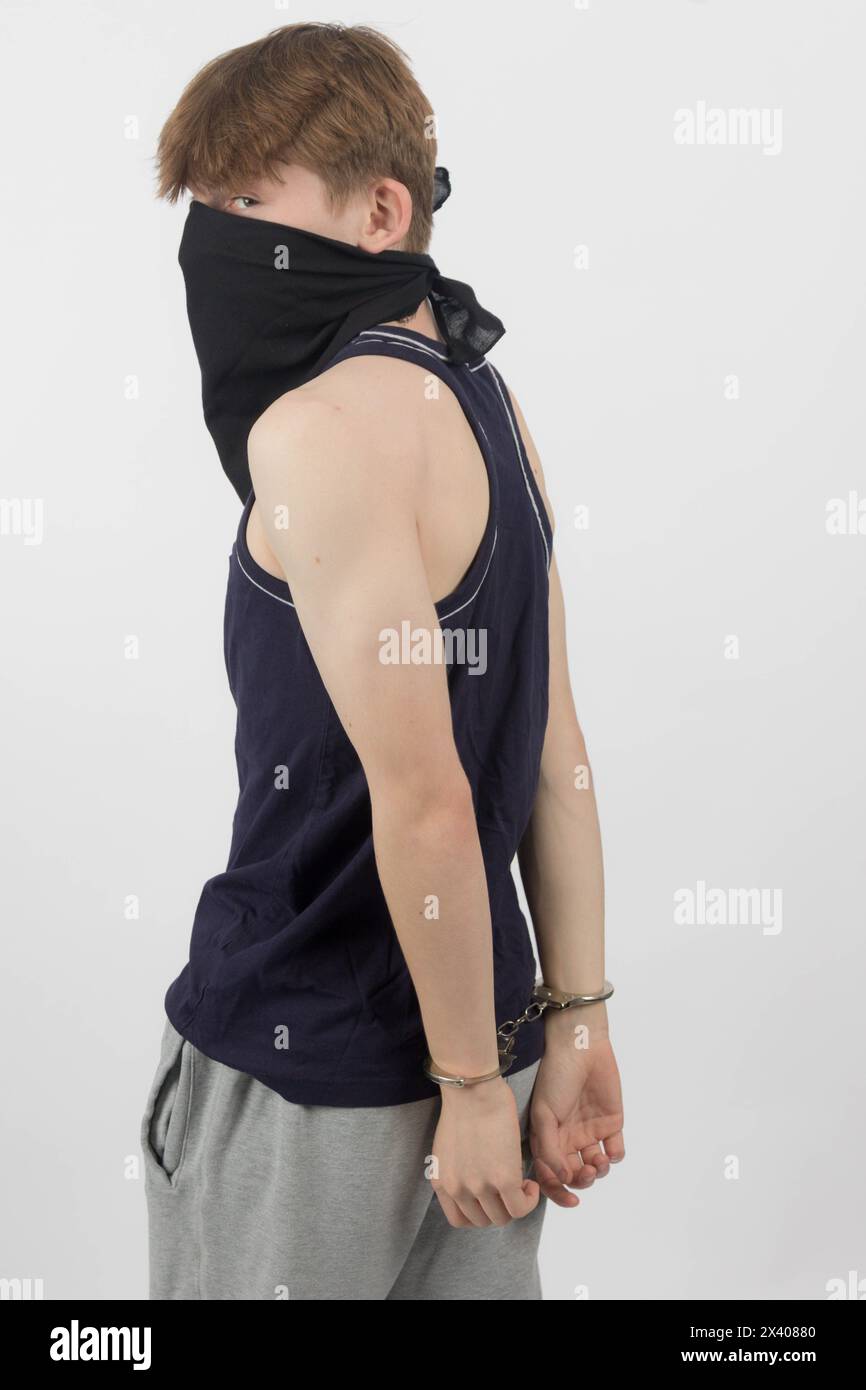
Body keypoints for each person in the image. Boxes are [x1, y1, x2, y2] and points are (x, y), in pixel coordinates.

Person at [140, 20, 625, 1302]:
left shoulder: (315, 433)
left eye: (247, 200)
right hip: (495, 1042)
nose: (215, 241)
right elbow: (555, 757)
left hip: (326, 1076)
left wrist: (466, 1087)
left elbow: (426, 798)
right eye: (203, 205)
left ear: (378, 210)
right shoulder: (486, 401)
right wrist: (572, 1016)